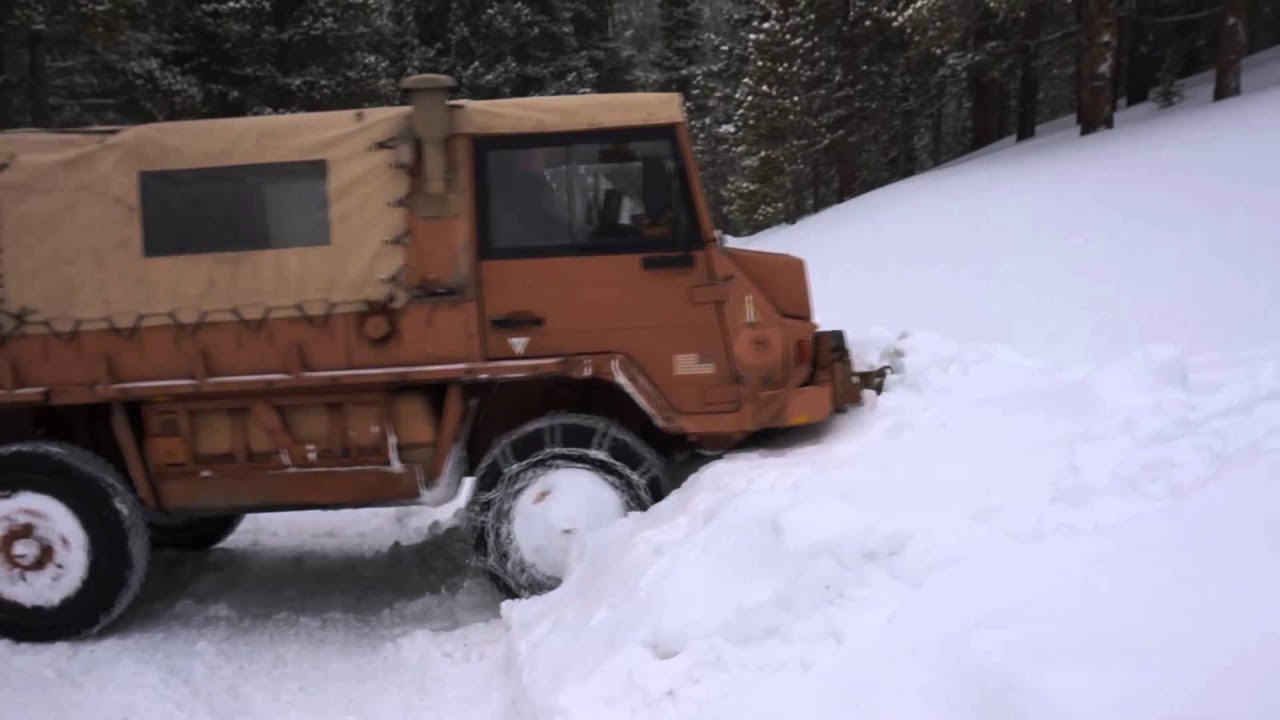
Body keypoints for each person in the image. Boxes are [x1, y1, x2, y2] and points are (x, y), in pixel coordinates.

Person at [487, 146, 570, 249]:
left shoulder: (541, 188)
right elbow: (543, 224)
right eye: (526, 154)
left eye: (538, 154)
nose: (532, 158)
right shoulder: (501, 209)